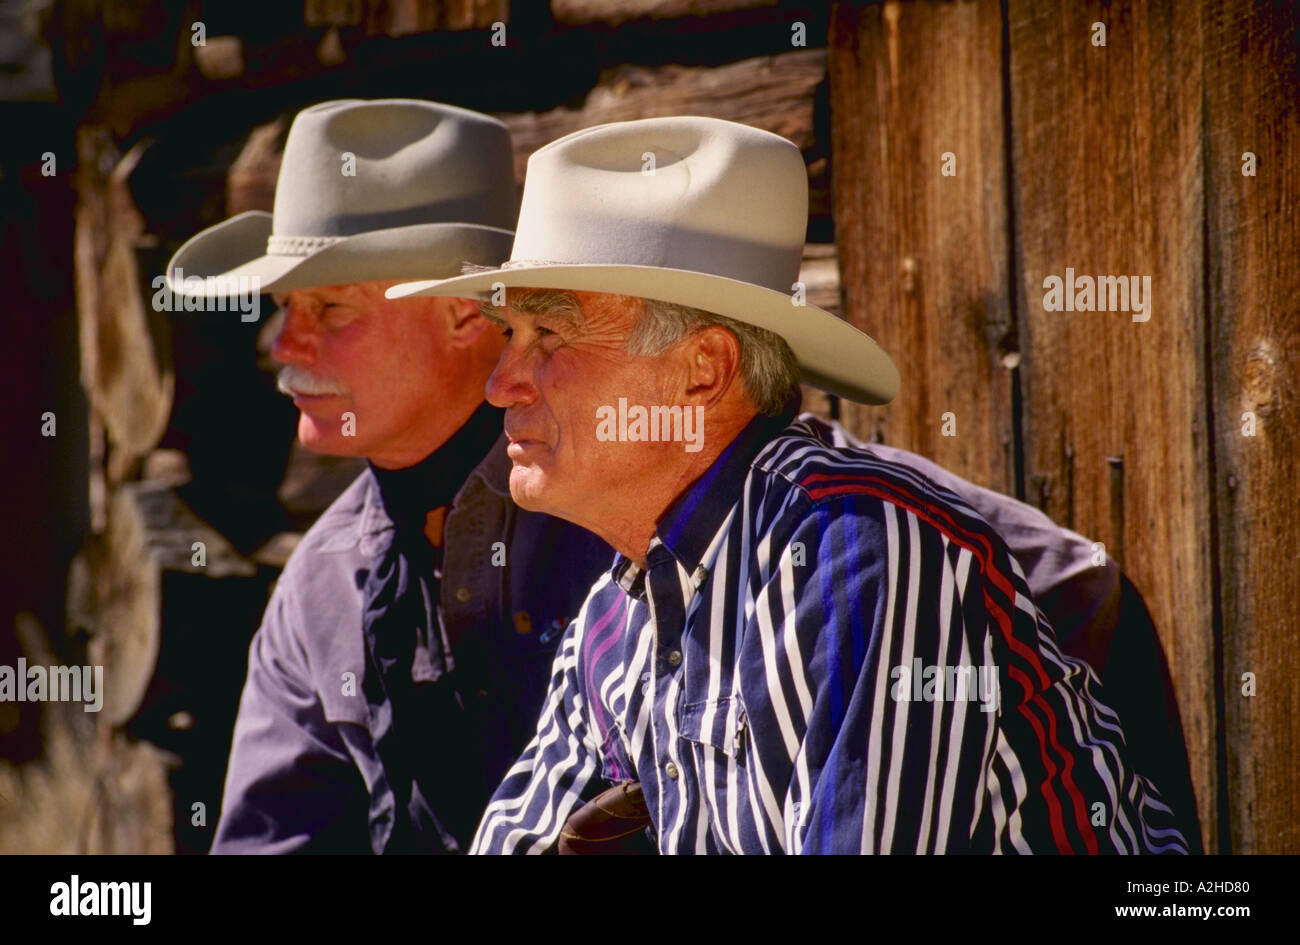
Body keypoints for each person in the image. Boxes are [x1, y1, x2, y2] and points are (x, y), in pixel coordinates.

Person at [389, 115, 1192, 853]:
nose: (500, 384)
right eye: (509, 334)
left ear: (701, 372)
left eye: (549, 335)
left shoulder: (864, 557)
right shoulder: (612, 622)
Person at [166, 98, 612, 853]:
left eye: (331, 311)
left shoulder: (624, 512)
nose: (284, 345)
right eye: (285, 308)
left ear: (466, 315)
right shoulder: (320, 589)